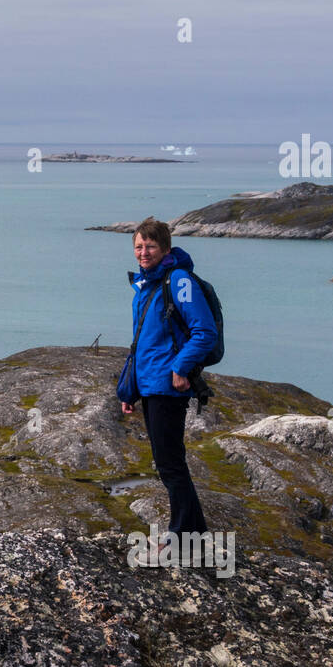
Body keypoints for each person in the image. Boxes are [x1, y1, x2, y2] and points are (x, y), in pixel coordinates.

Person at [120, 217, 217, 563]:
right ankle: (195, 538)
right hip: (151, 386)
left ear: (165, 248)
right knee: (168, 463)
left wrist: (180, 367)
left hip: (168, 388)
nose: (143, 252)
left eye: (150, 246)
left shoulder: (178, 280)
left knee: (170, 465)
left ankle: (181, 542)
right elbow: (143, 344)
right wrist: (129, 390)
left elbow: (204, 332)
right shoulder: (147, 284)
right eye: (138, 247)